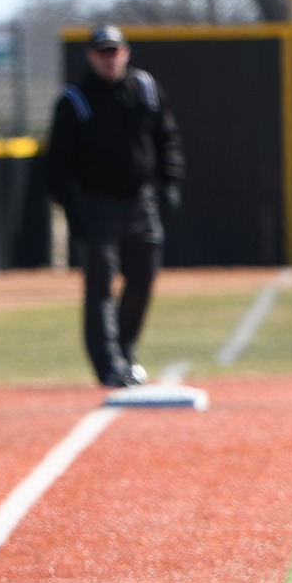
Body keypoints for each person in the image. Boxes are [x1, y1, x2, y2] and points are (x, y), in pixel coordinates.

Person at [43, 24, 185, 389]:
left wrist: (170, 183)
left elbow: (167, 138)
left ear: (126, 52)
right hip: (97, 203)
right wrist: (73, 210)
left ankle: (125, 353)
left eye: (115, 50)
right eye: (102, 52)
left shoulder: (145, 90)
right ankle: (108, 366)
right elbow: (57, 163)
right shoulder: (76, 101)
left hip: (141, 200)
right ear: (91, 56)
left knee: (142, 279)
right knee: (101, 285)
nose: (110, 58)